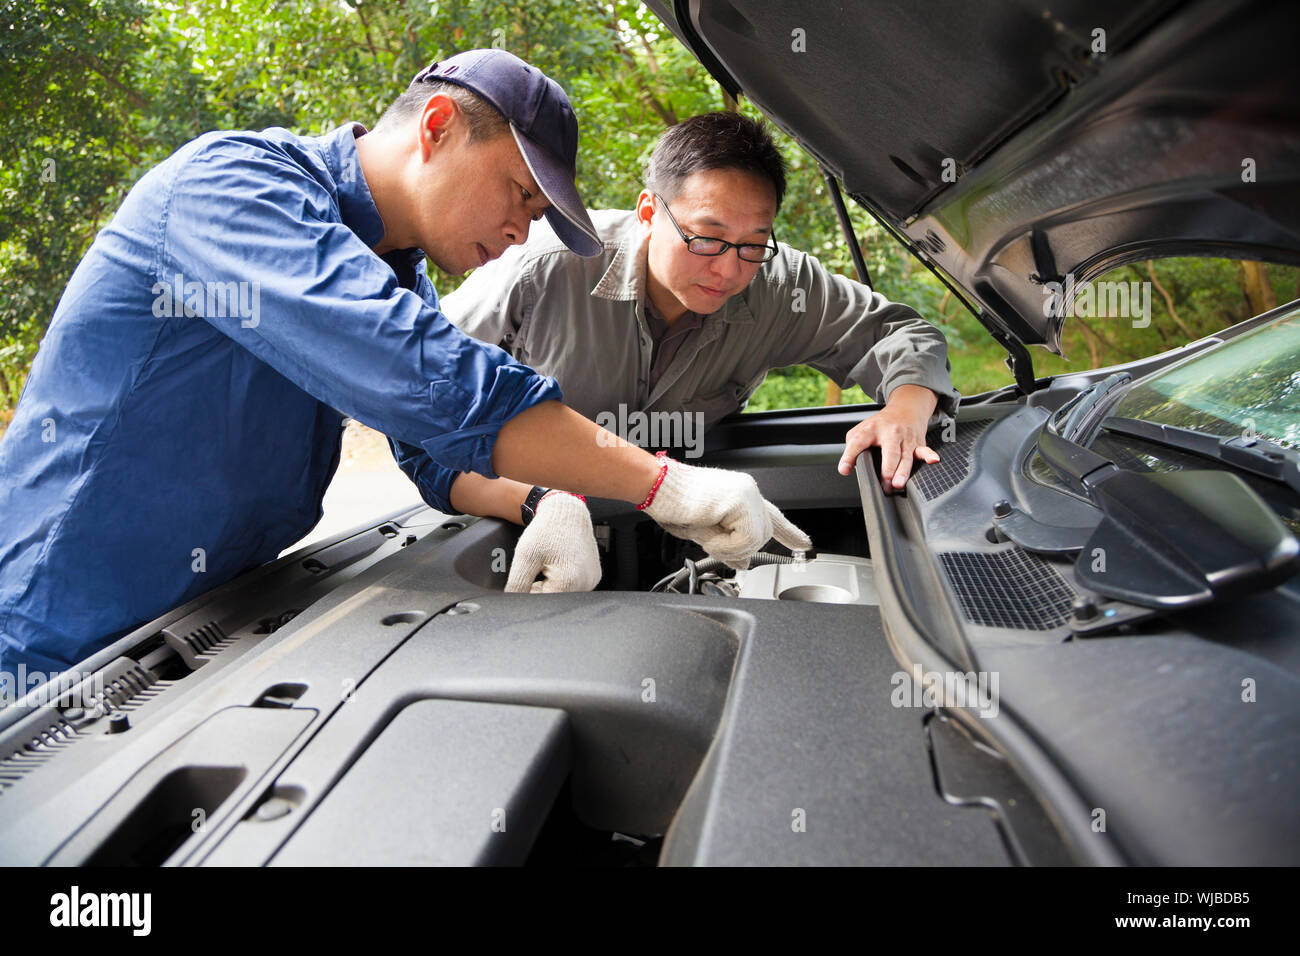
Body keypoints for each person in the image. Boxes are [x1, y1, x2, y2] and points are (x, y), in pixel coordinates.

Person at [0, 51, 808, 678]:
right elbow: (438, 384)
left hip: (206, 629)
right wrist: (667, 486)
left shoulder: (396, 273)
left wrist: (544, 500)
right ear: (438, 126)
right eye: (520, 197)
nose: (522, 235)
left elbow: (431, 450)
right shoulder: (235, 189)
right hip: (51, 632)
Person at [435, 111, 961, 591]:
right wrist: (540, 502)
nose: (730, 271)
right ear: (648, 211)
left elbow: (902, 334)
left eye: (753, 244)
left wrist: (906, 409)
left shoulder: (781, 286)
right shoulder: (542, 268)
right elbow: (421, 418)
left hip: (671, 536)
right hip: (522, 531)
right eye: (706, 238)